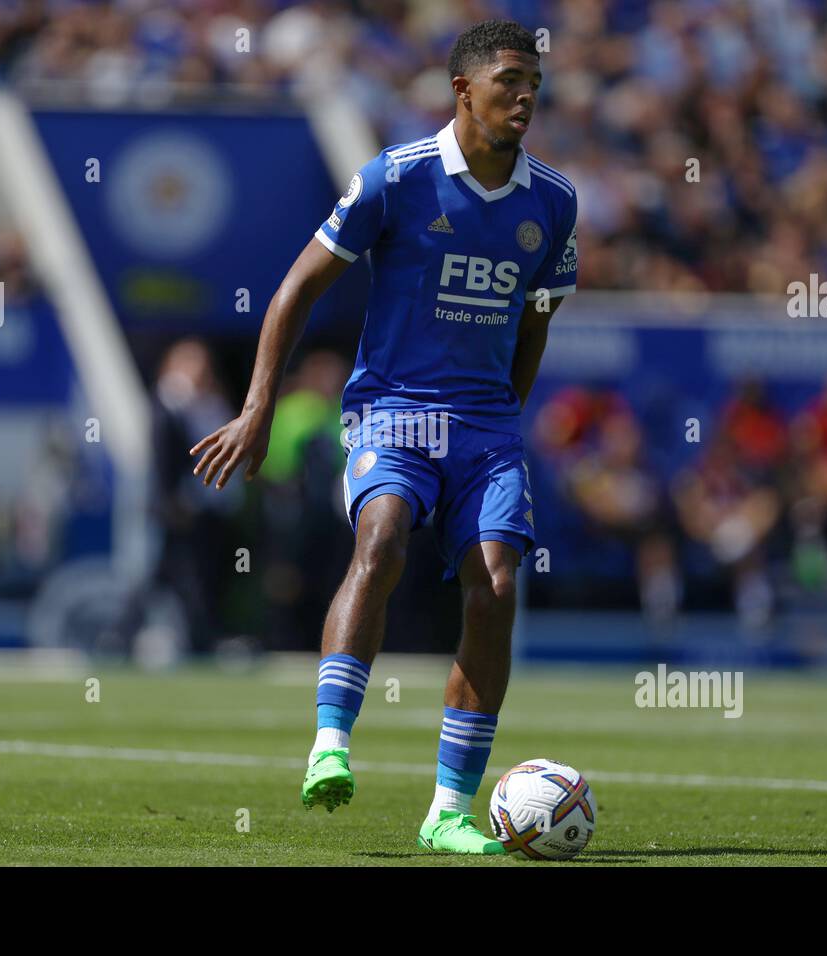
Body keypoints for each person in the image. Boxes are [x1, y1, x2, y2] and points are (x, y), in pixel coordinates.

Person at [191, 20, 577, 854]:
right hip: (393, 408)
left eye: (535, 83)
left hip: (486, 425)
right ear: (463, 89)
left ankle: (448, 812)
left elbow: (539, 318)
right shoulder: (395, 180)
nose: (526, 96)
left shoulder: (554, 201)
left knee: (498, 591)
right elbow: (296, 287)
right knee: (384, 538)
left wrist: (503, 415)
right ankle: (331, 742)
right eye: (510, 79)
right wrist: (259, 407)